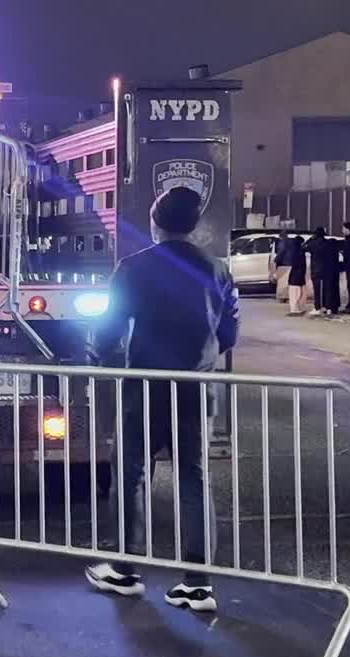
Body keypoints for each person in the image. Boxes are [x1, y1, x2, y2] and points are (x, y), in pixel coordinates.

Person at [84, 187, 240, 613]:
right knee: (194, 478)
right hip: (196, 388)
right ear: (194, 223)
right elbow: (229, 332)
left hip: (144, 386)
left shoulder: (133, 268)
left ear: (155, 220)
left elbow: (108, 330)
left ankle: (126, 569)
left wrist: (99, 357)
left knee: (132, 473)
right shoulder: (218, 270)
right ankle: (198, 582)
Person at [306, 227, 341, 315]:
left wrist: (310, 239)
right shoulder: (328, 243)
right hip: (327, 270)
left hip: (316, 270)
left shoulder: (313, 244)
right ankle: (328, 308)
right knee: (327, 290)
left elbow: (302, 247)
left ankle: (318, 307)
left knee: (317, 290)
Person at [275, 227, 308, 316]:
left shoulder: (294, 250)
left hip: (295, 276)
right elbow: (300, 265)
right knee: (296, 293)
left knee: (295, 293)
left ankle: (295, 308)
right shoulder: (299, 251)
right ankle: (295, 309)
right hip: (298, 276)